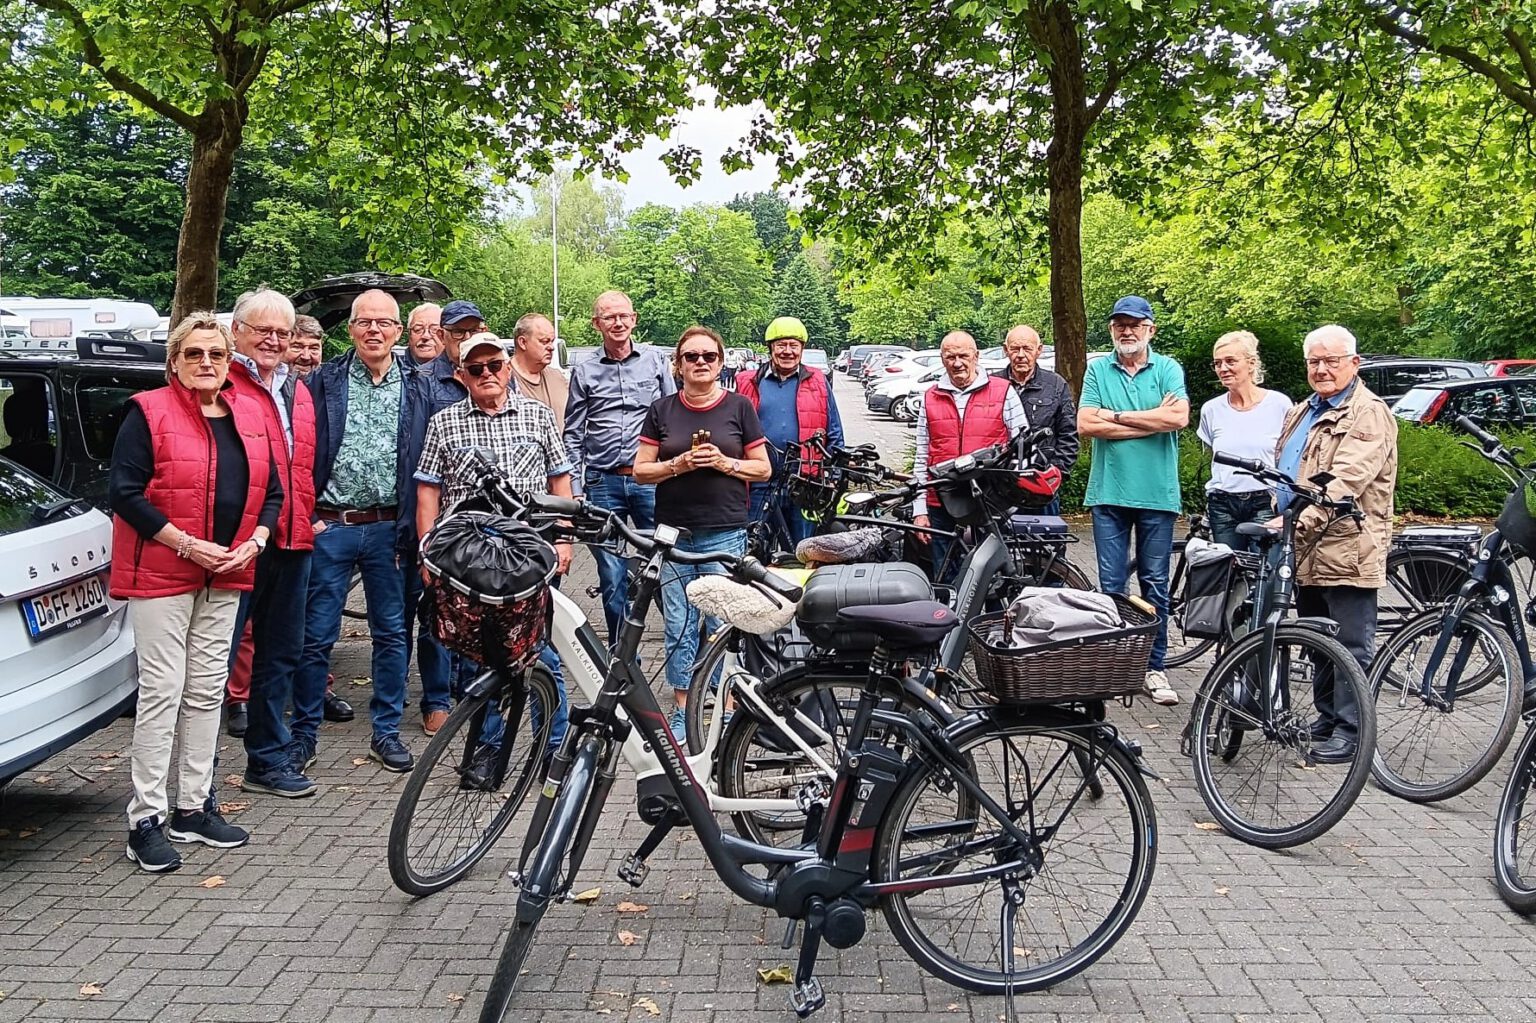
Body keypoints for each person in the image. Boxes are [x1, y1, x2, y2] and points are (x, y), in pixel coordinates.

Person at [108, 312, 282, 872]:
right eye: (194, 354)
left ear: (230, 358)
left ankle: (192, 807)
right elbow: (126, 494)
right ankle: (146, 819)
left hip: (228, 569)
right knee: (162, 692)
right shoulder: (148, 412)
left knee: (207, 692)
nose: (206, 363)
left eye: (215, 353)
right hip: (162, 571)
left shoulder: (250, 412)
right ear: (175, 361)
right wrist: (187, 545)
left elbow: (273, 492)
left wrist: (255, 541)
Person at [414, 333, 575, 762]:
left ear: (508, 367)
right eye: (476, 368)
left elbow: (560, 481)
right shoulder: (443, 422)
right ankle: (487, 748)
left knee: (543, 650)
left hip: (530, 552)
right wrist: (427, 550)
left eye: (494, 366)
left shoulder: (539, 417)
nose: (487, 374)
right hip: (470, 556)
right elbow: (428, 492)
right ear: (461, 375)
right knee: (477, 655)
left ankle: (553, 747)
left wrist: (563, 537)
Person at [295, 290, 431, 775]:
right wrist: (306, 513)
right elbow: (299, 452)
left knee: (392, 633)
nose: (374, 330)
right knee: (316, 635)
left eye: (384, 323)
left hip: (390, 529)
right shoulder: (321, 382)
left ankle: (387, 731)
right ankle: (303, 734)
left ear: (398, 333)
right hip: (330, 525)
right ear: (350, 329)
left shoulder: (419, 386)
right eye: (364, 322)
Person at [634, 326, 771, 739]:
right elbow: (641, 471)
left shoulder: (739, 407)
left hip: (724, 530)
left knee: (720, 624)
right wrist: (679, 465)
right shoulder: (661, 410)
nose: (699, 363)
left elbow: (763, 468)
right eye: (691, 357)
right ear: (678, 365)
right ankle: (683, 706)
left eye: (708, 356)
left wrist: (724, 464)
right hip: (673, 533)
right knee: (678, 623)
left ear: (720, 362)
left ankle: (725, 708)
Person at [1273, 324, 1398, 764]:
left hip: (1347, 544)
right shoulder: (1304, 409)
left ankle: (1352, 730)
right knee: (1316, 637)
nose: (1322, 369)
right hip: (1307, 546)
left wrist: (1298, 521)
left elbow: (1344, 481)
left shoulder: (1368, 412)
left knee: (1349, 643)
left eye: (1331, 361)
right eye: (1314, 362)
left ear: (1354, 363)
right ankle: (1326, 719)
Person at [227, 289, 325, 798]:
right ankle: (189, 782)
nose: (272, 340)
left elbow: (305, 465)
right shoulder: (223, 384)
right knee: (215, 659)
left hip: (292, 539)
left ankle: (265, 761)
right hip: (238, 545)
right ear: (236, 330)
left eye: (282, 333)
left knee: (281, 654)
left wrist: (308, 516)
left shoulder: (297, 390)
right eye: (262, 329)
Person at [1077, 296, 1189, 707]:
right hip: (1108, 493)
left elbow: (1177, 419)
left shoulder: (1168, 368)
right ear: (1111, 330)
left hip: (1158, 495)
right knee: (1111, 588)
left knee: (1155, 585)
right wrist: (1148, 420)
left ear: (1150, 330)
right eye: (1119, 324)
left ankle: (1153, 667)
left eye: (1135, 324)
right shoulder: (1097, 369)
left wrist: (1117, 418)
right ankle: (1114, 665)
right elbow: (1086, 423)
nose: (1126, 331)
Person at [563, 290, 676, 643]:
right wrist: (576, 491)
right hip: (602, 484)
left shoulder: (656, 362)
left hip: (649, 482)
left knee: (663, 569)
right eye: (609, 317)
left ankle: (680, 654)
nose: (617, 323)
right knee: (612, 576)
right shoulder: (584, 370)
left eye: (623, 316)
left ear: (634, 319)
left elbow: (673, 418)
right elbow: (572, 433)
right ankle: (621, 657)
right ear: (597, 324)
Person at [401, 303, 470, 736]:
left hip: (478, 522)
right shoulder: (424, 382)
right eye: (457, 333)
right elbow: (417, 457)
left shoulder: (494, 373)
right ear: (445, 336)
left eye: (473, 331)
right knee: (434, 613)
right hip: (436, 518)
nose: (464, 339)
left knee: (473, 611)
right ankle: (436, 698)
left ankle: (470, 690)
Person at [912, 330, 1028, 584]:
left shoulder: (1003, 391)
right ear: (942, 359)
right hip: (941, 499)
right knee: (945, 577)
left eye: (963, 355)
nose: (957, 363)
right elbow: (922, 455)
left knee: (995, 577)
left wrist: (1013, 494)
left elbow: (1022, 449)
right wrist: (919, 509)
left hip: (989, 498)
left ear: (976, 356)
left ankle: (995, 621)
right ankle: (950, 621)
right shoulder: (930, 397)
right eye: (950, 356)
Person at [735, 315, 844, 545]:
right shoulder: (747, 381)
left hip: (805, 481)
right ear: (770, 348)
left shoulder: (817, 381)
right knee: (752, 548)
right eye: (781, 345)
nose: (788, 351)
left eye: (794, 345)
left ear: (802, 349)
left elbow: (834, 431)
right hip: (758, 482)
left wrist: (833, 475)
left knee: (802, 548)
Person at [1197, 331, 1292, 553]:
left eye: (1230, 361)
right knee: (1226, 573)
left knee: (1264, 574)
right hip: (1223, 504)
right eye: (1217, 363)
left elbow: (1289, 456)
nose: (1223, 368)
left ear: (1251, 364)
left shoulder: (1279, 404)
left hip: (1264, 500)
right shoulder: (1211, 409)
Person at [992, 324, 1077, 515]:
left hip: (1041, 485)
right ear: (1006, 350)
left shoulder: (1055, 385)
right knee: (997, 543)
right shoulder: (993, 385)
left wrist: (1056, 475)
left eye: (1027, 349)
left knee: (1044, 541)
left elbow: (1069, 435)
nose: (1021, 355)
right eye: (1015, 348)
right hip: (1000, 487)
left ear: (1039, 351)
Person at [509, 313, 569, 435]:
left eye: (552, 341)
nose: (551, 347)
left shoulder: (558, 377)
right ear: (522, 342)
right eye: (544, 341)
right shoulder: (502, 379)